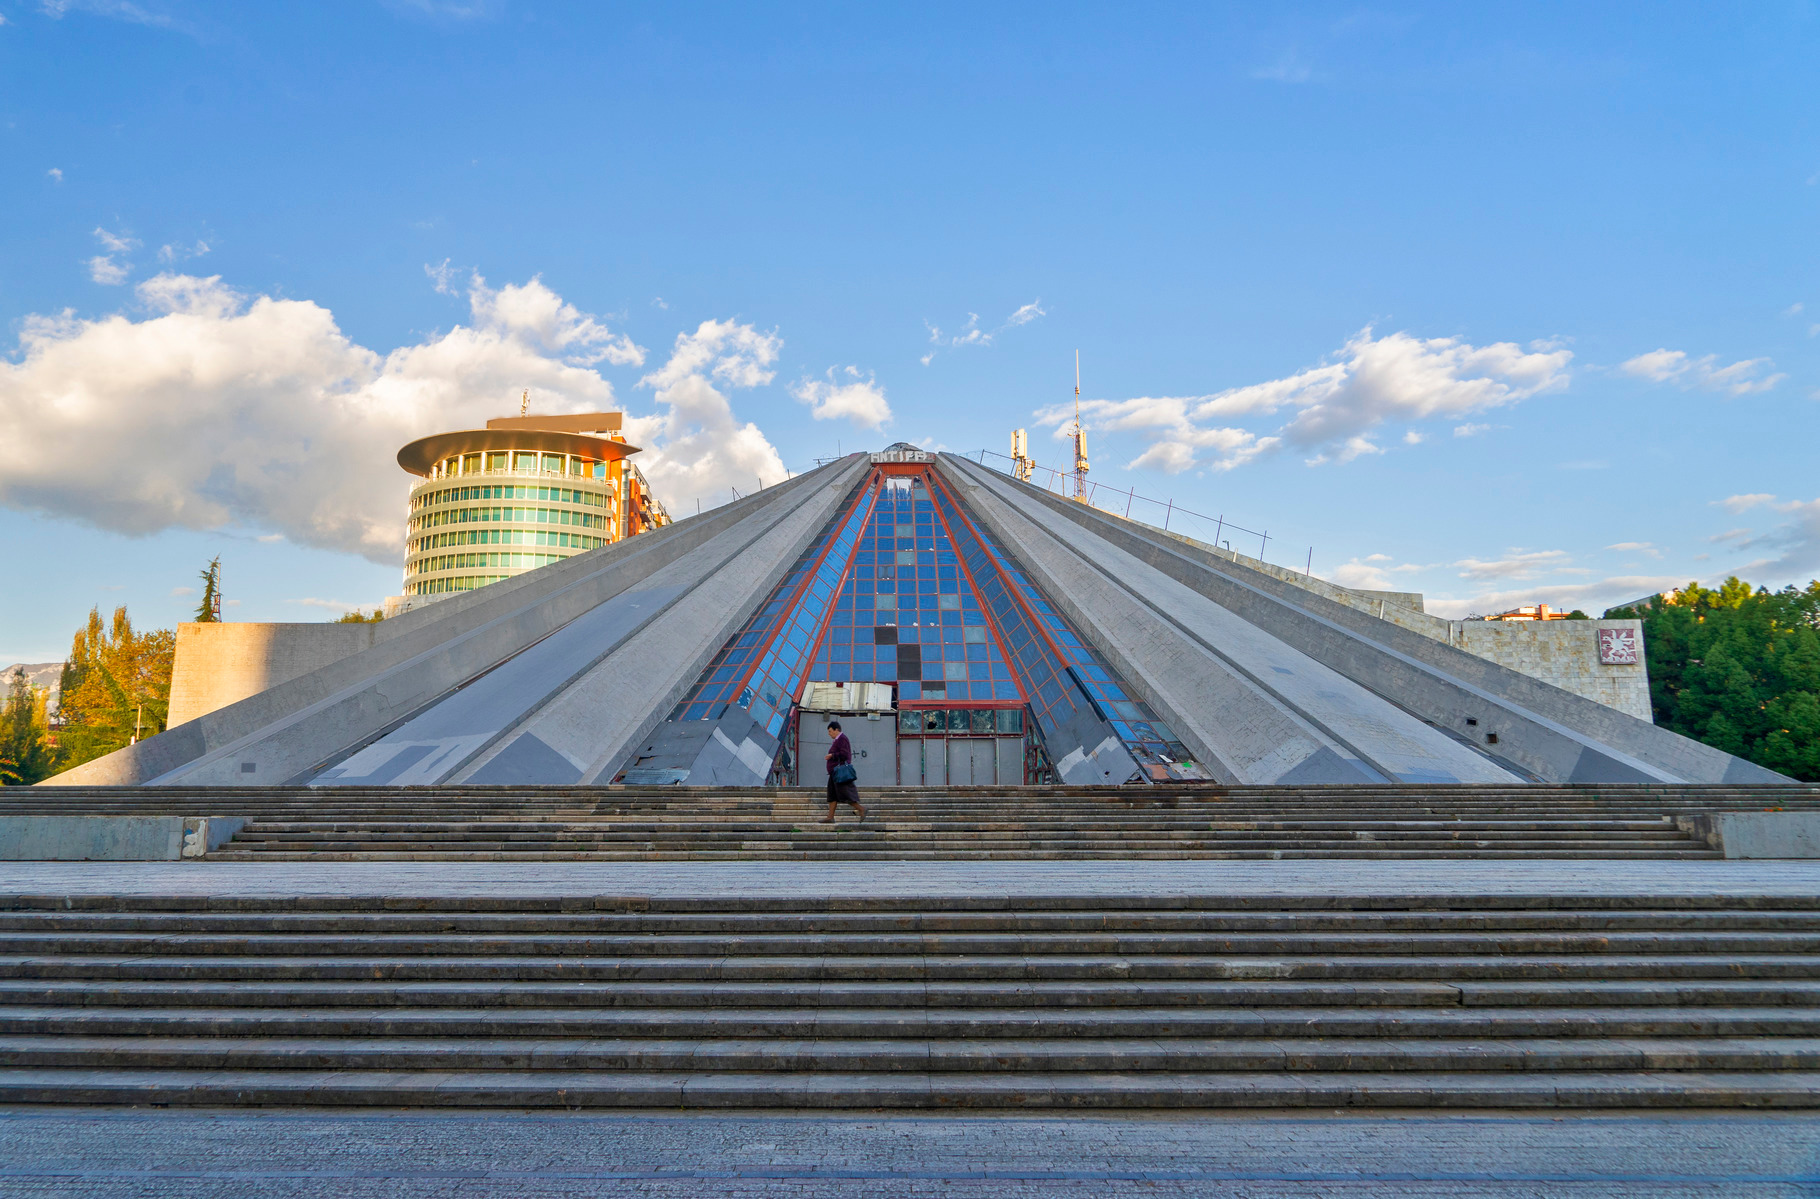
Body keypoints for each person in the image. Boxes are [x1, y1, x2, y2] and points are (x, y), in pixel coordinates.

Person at [821, 719, 865, 824]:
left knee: (845, 794)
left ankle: (861, 809)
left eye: (830, 731)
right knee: (832, 795)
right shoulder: (837, 740)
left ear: (836, 730)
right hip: (834, 772)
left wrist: (832, 755)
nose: (829, 733)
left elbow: (845, 754)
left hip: (840, 773)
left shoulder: (842, 739)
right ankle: (830, 817)